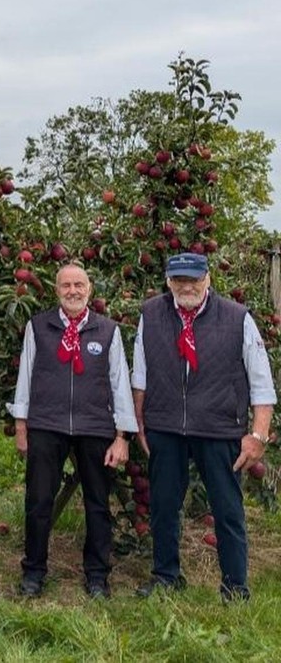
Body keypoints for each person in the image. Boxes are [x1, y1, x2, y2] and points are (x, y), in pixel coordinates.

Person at [132, 253, 276, 601]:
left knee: (227, 508)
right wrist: (139, 422)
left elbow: (261, 381)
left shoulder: (236, 318)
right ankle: (166, 575)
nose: (187, 286)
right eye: (179, 279)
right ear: (168, 281)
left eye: (194, 278)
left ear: (208, 279)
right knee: (164, 505)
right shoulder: (151, 314)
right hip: (166, 425)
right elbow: (140, 374)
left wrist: (257, 434)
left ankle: (235, 585)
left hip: (218, 427)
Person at [7, 264, 136, 598]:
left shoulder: (107, 330)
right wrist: (22, 425)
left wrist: (122, 436)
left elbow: (119, 382)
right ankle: (33, 571)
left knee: (97, 503)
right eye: (66, 285)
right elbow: (26, 376)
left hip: (95, 426)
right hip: (47, 424)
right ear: (56, 290)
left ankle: (97, 575)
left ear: (89, 290)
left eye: (79, 285)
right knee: (38, 501)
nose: (73, 291)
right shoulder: (39, 326)